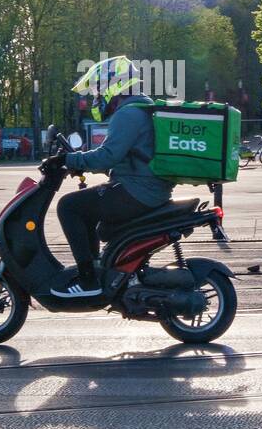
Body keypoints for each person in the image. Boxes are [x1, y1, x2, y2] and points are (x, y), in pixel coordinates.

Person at [41, 56, 172, 299]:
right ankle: (99, 268)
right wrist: (80, 163)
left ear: (114, 85)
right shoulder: (140, 107)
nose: (96, 97)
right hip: (145, 188)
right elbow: (126, 157)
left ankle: (89, 279)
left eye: (98, 90)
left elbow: (108, 156)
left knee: (69, 206)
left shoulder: (128, 114)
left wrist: (68, 160)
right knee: (89, 211)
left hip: (138, 191)